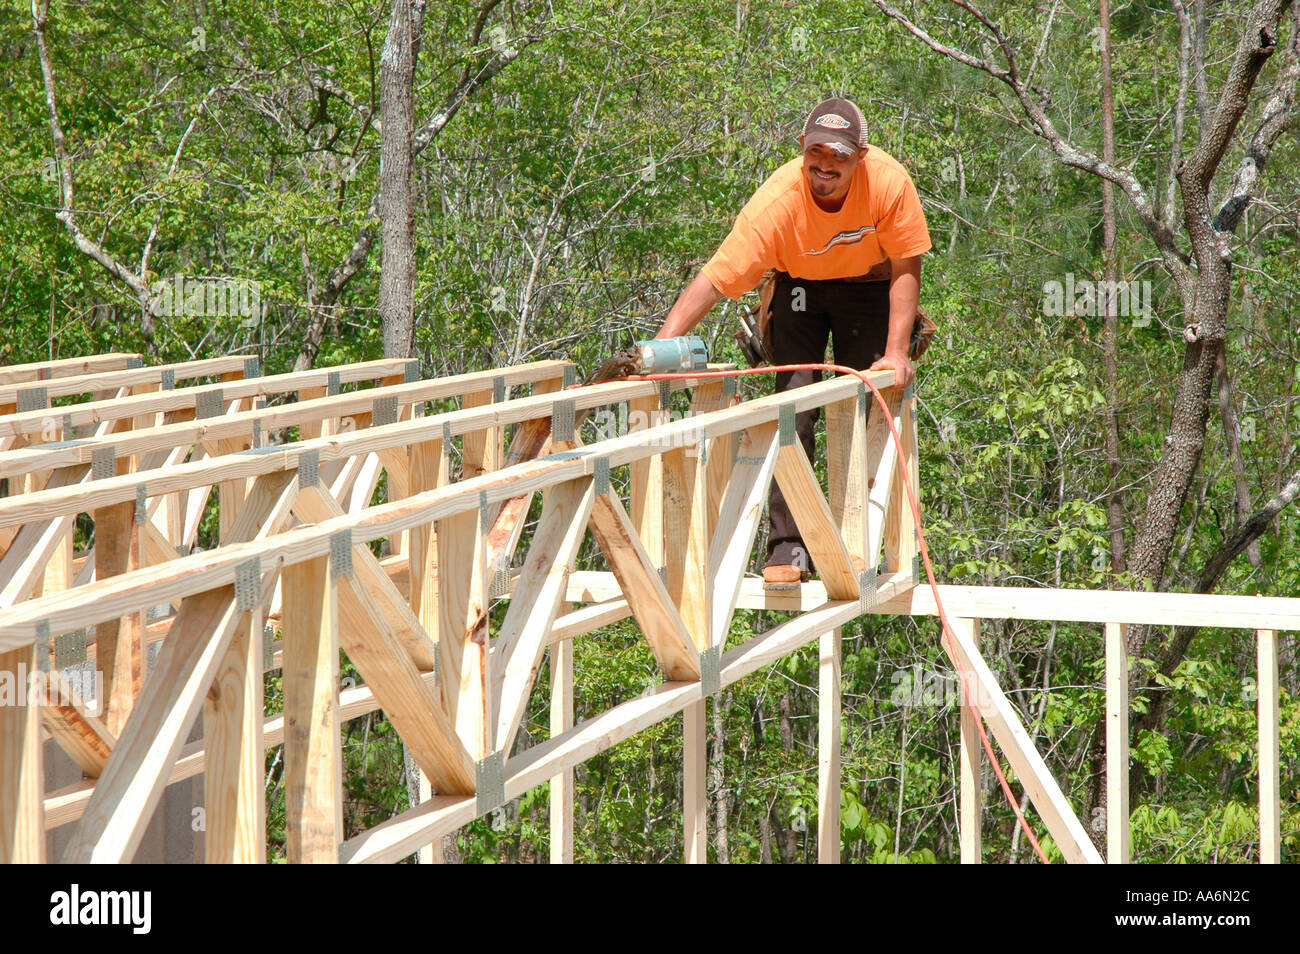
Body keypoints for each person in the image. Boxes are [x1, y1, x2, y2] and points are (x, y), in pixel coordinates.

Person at [654, 97, 931, 589]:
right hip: (799, 286)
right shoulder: (776, 202)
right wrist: (660, 347)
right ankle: (788, 546)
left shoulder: (888, 183)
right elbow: (715, 280)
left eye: (839, 156)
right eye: (817, 152)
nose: (826, 165)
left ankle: (850, 541)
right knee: (794, 402)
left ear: (860, 157)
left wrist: (897, 351)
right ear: (802, 148)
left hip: (869, 285)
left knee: (863, 399)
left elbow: (908, 264)